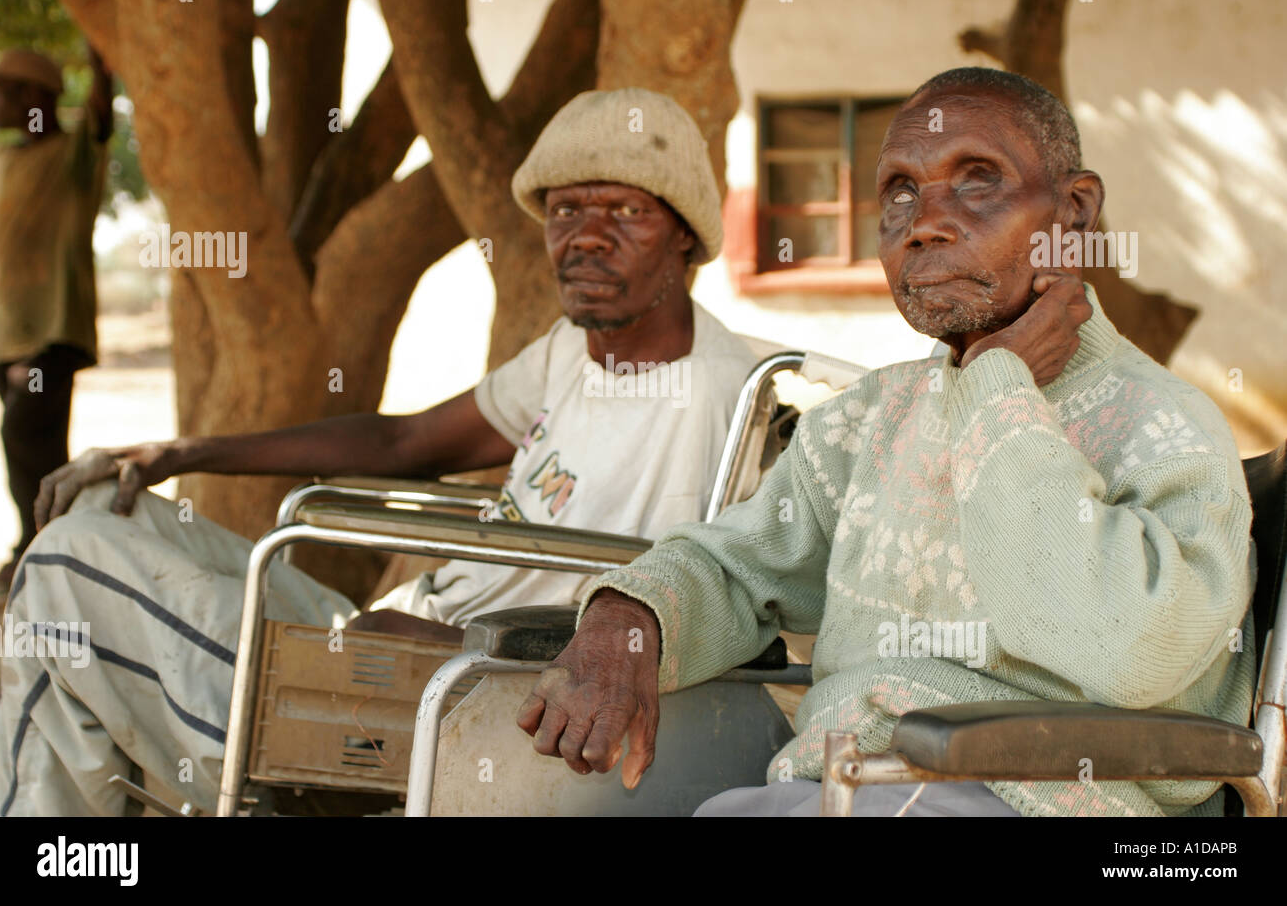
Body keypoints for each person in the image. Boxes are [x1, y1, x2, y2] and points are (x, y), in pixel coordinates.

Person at [0, 87, 759, 815]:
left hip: (463, 683)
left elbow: (682, 606)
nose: (587, 236)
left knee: (64, 571)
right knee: (98, 513)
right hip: (392, 630)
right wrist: (177, 453)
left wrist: (460, 641)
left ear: (686, 231)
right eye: (566, 210)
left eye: (626, 211)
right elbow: (403, 438)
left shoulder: (718, 397)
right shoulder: (572, 350)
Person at [517, 67, 1257, 818]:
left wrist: (998, 398)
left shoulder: (1165, 425)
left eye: (976, 182)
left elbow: (1129, 652)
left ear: (1074, 211)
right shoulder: (872, 415)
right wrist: (629, 623)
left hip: (1046, 801)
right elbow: (737, 566)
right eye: (900, 191)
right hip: (840, 786)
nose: (925, 222)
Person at [0, 46, 113, 597]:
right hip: (8, 332)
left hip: (55, 331)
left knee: (21, 433)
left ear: (37, 98)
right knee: (36, 448)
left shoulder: (74, 156)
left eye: (6, 90)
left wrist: (101, 63)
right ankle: (54, 554)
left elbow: (100, 117)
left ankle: (35, 551)